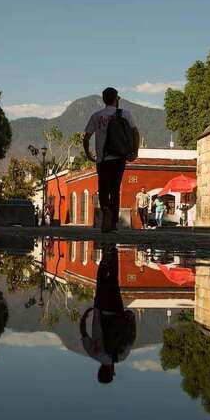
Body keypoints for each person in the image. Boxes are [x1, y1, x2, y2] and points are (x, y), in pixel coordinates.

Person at [83, 87, 140, 233]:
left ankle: (106, 210)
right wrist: (135, 151)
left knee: (103, 189)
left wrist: (88, 153)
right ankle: (113, 222)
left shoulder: (96, 116)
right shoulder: (125, 114)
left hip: (102, 159)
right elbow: (135, 132)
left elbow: (86, 137)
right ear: (116, 99)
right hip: (119, 157)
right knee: (115, 190)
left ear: (104, 100)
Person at [80, 244, 136, 384]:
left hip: (117, 312)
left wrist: (130, 318)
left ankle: (114, 251)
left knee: (114, 282)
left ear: (110, 371)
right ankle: (106, 252)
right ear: (99, 370)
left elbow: (131, 338)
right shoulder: (95, 354)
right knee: (102, 280)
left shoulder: (121, 357)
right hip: (101, 311)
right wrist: (85, 316)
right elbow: (84, 333)